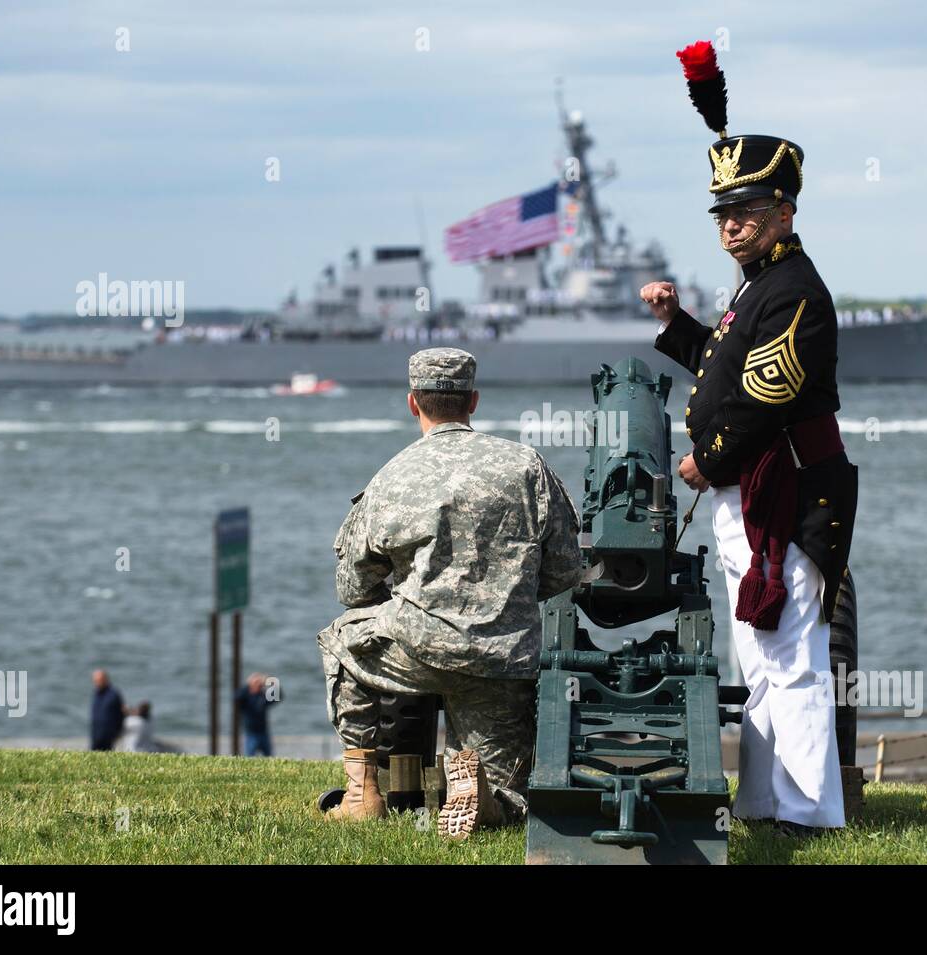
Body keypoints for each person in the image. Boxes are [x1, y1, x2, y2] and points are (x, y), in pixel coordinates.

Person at [640, 40, 859, 837]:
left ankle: (807, 813)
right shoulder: (758, 289)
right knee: (759, 660)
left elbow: (765, 398)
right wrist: (677, 325)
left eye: (748, 212)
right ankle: (766, 801)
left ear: (785, 214)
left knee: (793, 655)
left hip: (788, 493)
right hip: (754, 494)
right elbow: (726, 371)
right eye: (725, 213)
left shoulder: (795, 290)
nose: (732, 224)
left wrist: (708, 459)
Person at [317, 347, 582, 839]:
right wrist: (509, 596)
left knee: (339, 640)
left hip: (418, 650)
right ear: (474, 401)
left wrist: (408, 596)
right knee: (513, 796)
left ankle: (361, 793)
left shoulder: (392, 476)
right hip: (503, 658)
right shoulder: (526, 465)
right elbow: (567, 569)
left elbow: (352, 587)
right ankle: (485, 799)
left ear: (413, 403)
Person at [236, 673, 277, 756]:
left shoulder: (263, 696)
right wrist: (249, 686)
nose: (258, 685)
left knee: (269, 757)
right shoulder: (246, 696)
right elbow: (236, 697)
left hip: (263, 732)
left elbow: (276, 698)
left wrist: (272, 684)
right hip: (251, 733)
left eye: (259, 683)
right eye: (256, 682)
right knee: (250, 756)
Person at [89, 669, 125, 751]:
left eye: (99, 680)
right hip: (96, 733)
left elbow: (121, 714)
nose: (97, 683)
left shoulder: (114, 694)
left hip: (109, 734)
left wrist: (118, 731)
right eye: (95, 681)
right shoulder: (96, 693)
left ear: (105, 679)